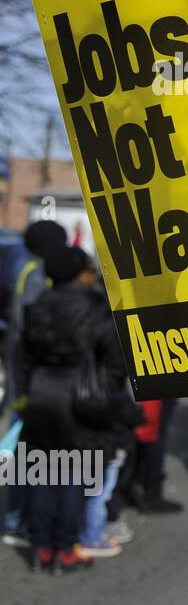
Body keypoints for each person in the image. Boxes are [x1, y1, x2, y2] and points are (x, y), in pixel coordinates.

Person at [21, 247, 132, 572]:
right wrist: (105, 390)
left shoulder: (36, 306)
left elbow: (24, 355)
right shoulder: (96, 307)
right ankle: (67, 548)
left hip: (42, 393)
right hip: (82, 400)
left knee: (42, 475)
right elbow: (116, 362)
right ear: (79, 273)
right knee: (72, 478)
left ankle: (42, 548)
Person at [2, 220, 68, 547]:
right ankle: (17, 522)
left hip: (24, 379)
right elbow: (32, 334)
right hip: (32, 383)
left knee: (24, 455)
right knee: (29, 456)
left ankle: (18, 519)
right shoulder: (38, 275)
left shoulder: (27, 269)